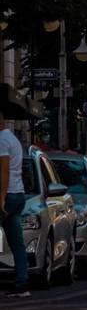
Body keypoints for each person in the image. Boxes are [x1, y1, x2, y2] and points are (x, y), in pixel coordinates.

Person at [0, 115, 30, 299]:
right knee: (17, 243)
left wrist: (1, 197)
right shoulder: (13, 139)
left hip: (8, 195)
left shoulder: (2, 140)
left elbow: (3, 170)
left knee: (15, 242)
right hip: (18, 194)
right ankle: (22, 283)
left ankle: (22, 282)